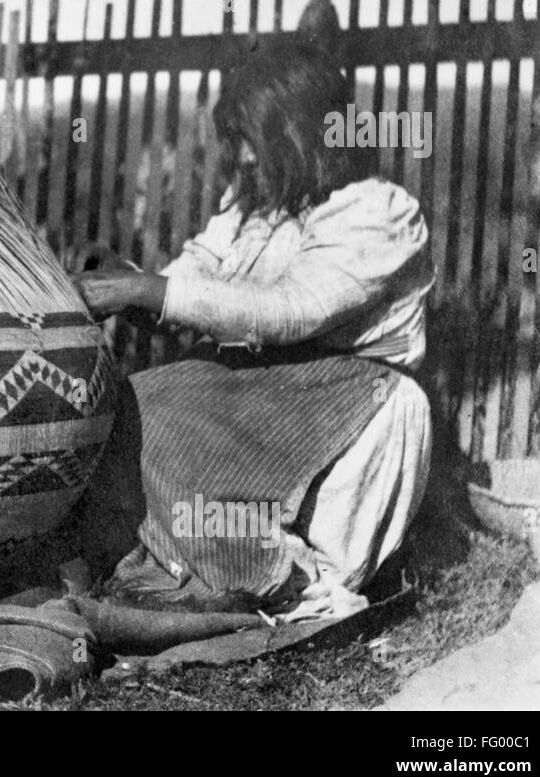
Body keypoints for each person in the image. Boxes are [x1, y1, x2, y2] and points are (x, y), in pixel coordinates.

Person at [70, 41, 433, 616]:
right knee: (132, 409)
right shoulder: (252, 209)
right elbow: (193, 282)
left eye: (252, 141)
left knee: (163, 429)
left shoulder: (376, 213)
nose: (240, 158)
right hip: (254, 388)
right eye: (235, 140)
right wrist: (128, 279)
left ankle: (275, 572)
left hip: (347, 403)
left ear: (300, 134)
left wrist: (149, 292)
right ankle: (186, 569)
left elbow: (287, 310)